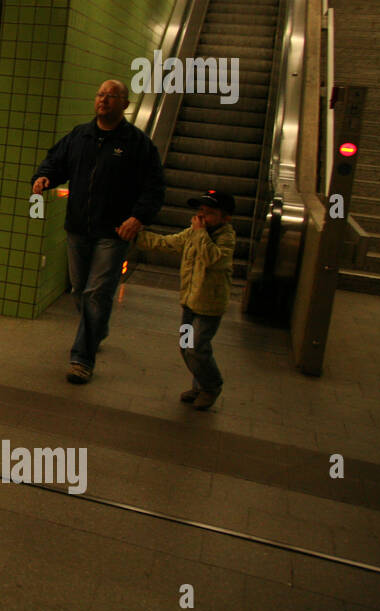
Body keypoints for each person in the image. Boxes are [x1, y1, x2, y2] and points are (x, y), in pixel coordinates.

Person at [31, 79, 165, 384]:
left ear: (125, 105)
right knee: (80, 291)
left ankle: (82, 359)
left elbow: (154, 187)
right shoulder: (81, 135)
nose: (103, 100)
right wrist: (44, 178)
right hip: (78, 227)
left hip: (115, 231)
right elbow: (56, 163)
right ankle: (98, 327)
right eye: (100, 95)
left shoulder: (138, 144)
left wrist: (138, 218)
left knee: (95, 293)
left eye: (111, 96)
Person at [135, 190, 236, 410]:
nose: (201, 217)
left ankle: (211, 386)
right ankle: (199, 385)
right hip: (190, 303)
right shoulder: (194, 232)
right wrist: (137, 237)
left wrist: (200, 233)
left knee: (197, 348)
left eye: (209, 213)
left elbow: (212, 259)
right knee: (185, 347)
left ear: (225, 217)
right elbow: (168, 243)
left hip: (209, 307)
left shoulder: (226, 238)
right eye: (200, 211)